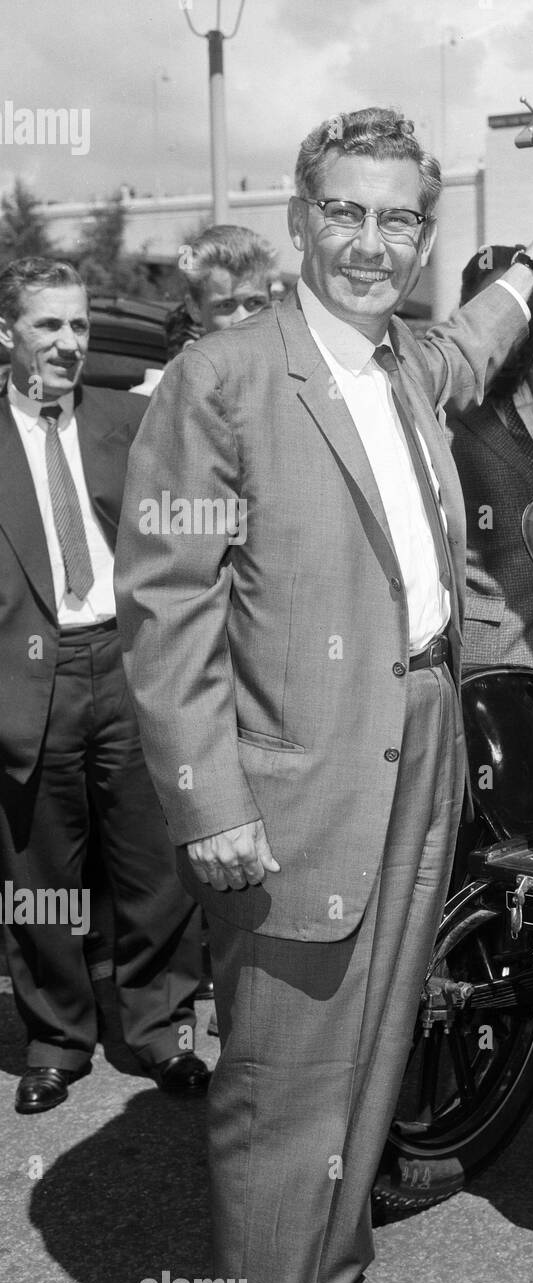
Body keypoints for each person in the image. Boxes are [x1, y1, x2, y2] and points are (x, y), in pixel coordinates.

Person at [114, 106, 533, 1283]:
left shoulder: (400, 362)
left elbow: (476, 343)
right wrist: (210, 799)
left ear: (425, 235)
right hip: (296, 778)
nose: (370, 242)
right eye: (345, 211)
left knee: (377, 1053)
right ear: (300, 219)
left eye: (397, 219)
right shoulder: (223, 378)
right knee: (287, 1087)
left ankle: (324, 1275)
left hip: (421, 740)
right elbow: (164, 605)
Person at [0, 257, 208, 1114]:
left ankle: (163, 1030)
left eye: (79, 325)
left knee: (153, 863)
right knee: (41, 871)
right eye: (49, 325)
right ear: (6, 332)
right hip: (27, 682)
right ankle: (57, 1037)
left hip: (124, 667)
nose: (69, 343)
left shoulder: (130, 420)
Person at [450, 244, 533, 670]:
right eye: (504, 319)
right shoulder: (434, 405)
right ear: (468, 312)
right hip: (485, 660)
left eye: (530, 320)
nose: (515, 340)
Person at [131, 225, 277, 397]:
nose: (242, 319)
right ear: (194, 308)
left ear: (271, 302)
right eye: (226, 305)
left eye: (255, 302)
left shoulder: (301, 382)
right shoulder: (170, 400)